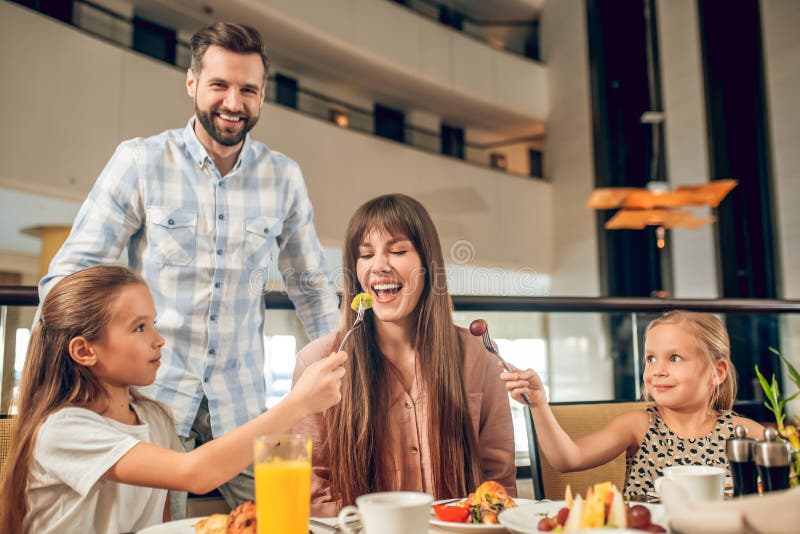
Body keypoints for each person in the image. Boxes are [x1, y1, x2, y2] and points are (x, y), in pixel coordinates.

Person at [38, 22, 340, 511]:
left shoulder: (283, 177)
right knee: (155, 528)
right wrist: (61, 385)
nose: (233, 103)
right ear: (192, 83)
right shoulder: (139, 162)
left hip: (243, 406)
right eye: (219, 85)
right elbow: (68, 278)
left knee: (288, 520)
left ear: (263, 95)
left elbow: (312, 290)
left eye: (248, 90)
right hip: (152, 403)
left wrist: (345, 369)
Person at [0, 265, 346, 533]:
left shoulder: (155, 419)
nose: (159, 339)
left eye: (154, 323)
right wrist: (298, 404)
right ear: (83, 350)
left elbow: (163, 526)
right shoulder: (64, 430)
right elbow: (194, 473)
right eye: (139, 328)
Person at [291, 194, 516, 517]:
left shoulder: (477, 354)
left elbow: (499, 482)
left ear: (427, 265)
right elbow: (313, 491)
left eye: (397, 251)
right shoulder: (319, 362)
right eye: (365, 255)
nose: (379, 265)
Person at [500, 310, 765, 500]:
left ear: (716, 372)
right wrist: (538, 404)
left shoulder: (745, 433)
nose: (657, 370)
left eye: (674, 358)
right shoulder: (639, 425)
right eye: (650, 359)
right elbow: (568, 459)